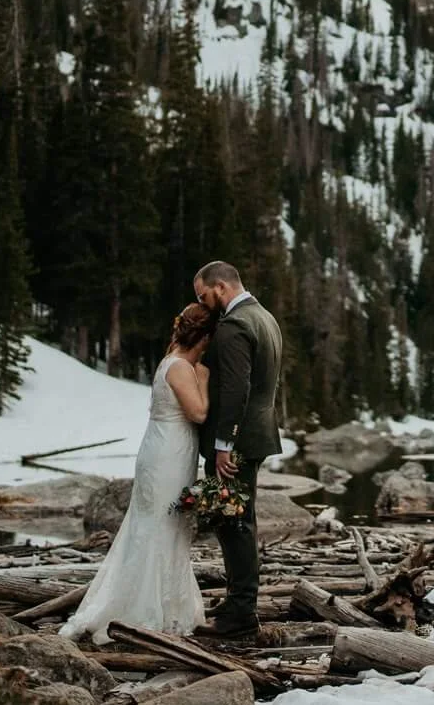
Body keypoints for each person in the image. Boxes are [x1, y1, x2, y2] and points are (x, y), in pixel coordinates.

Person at [59, 303, 214, 645]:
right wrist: (204, 377)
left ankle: (168, 606)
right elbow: (199, 413)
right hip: (167, 454)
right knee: (161, 525)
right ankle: (147, 611)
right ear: (202, 337)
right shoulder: (181, 367)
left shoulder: (171, 359)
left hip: (166, 449)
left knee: (162, 525)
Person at [192, 260, 285, 637]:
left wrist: (223, 444)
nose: (202, 303)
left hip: (239, 441)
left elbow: (236, 389)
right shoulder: (264, 316)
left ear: (220, 287)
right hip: (257, 434)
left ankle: (241, 612)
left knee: (234, 523)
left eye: (203, 296)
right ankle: (237, 599)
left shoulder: (233, 326)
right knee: (238, 519)